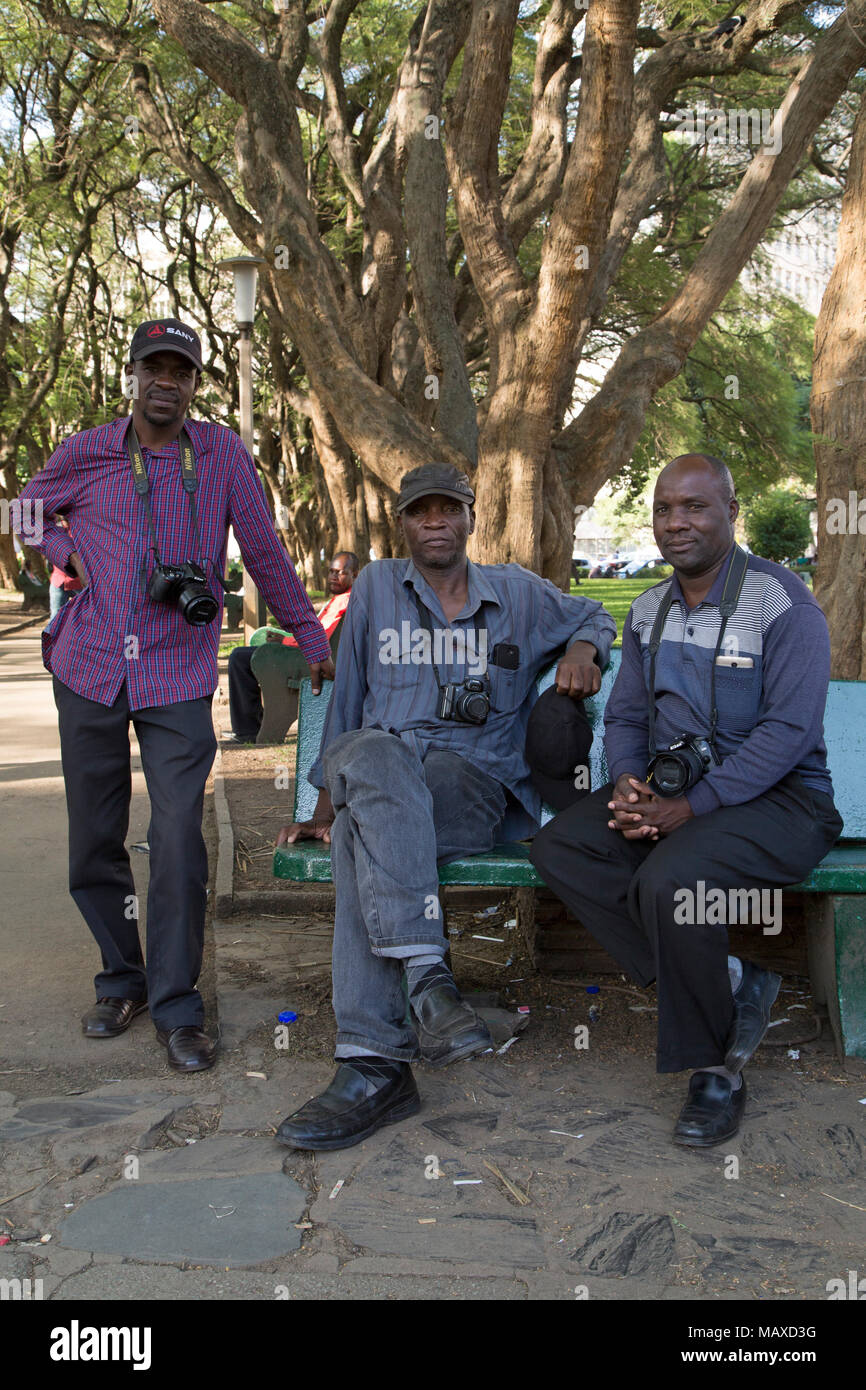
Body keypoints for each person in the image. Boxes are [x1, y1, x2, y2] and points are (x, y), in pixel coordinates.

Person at [15, 317, 334, 1073]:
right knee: (94, 836)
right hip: (90, 665)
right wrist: (66, 555)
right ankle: (120, 978)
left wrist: (312, 636)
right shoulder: (86, 450)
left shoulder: (221, 455)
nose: (168, 382)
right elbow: (26, 509)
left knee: (181, 839)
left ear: (195, 382)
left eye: (181, 371)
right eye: (155, 368)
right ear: (134, 374)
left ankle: (179, 1003)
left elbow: (264, 551)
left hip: (177, 671)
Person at [274, 462, 616, 1150]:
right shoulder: (373, 586)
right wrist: (320, 805)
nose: (434, 520)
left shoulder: (518, 594)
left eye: (447, 508)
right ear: (402, 523)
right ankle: (426, 983)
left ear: (469, 517)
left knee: (359, 838)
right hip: (375, 764)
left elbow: (597, 614)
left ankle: (375, 1066)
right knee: (373, 763)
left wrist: (583, 650)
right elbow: (346, 701)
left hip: (467, 787)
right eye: (419, 510)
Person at [530, 454, 843, 1147]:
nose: (677, 522)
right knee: (562, 846)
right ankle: (729, 977)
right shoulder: (648, 611)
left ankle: (715, 1067)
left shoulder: (782, 603)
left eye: (696, 507)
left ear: (732, 513)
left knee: (675, 878)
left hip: (784, 803)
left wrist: (691, 807)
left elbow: (789, 732)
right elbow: (628, 717)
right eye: (665, 508)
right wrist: (629, 781)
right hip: (682, 796)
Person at [227, 551, 358, 741]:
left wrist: (284, 641)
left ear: (355, 574)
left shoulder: (345, 601)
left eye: (340, 572)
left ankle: (247, 730)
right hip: (307, 654)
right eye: (331, 571)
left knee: (239, 658)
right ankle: (249, 726)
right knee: (242, 656)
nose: (333, 577)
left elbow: (321, 638)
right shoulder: (340, 599)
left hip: (310, 662)